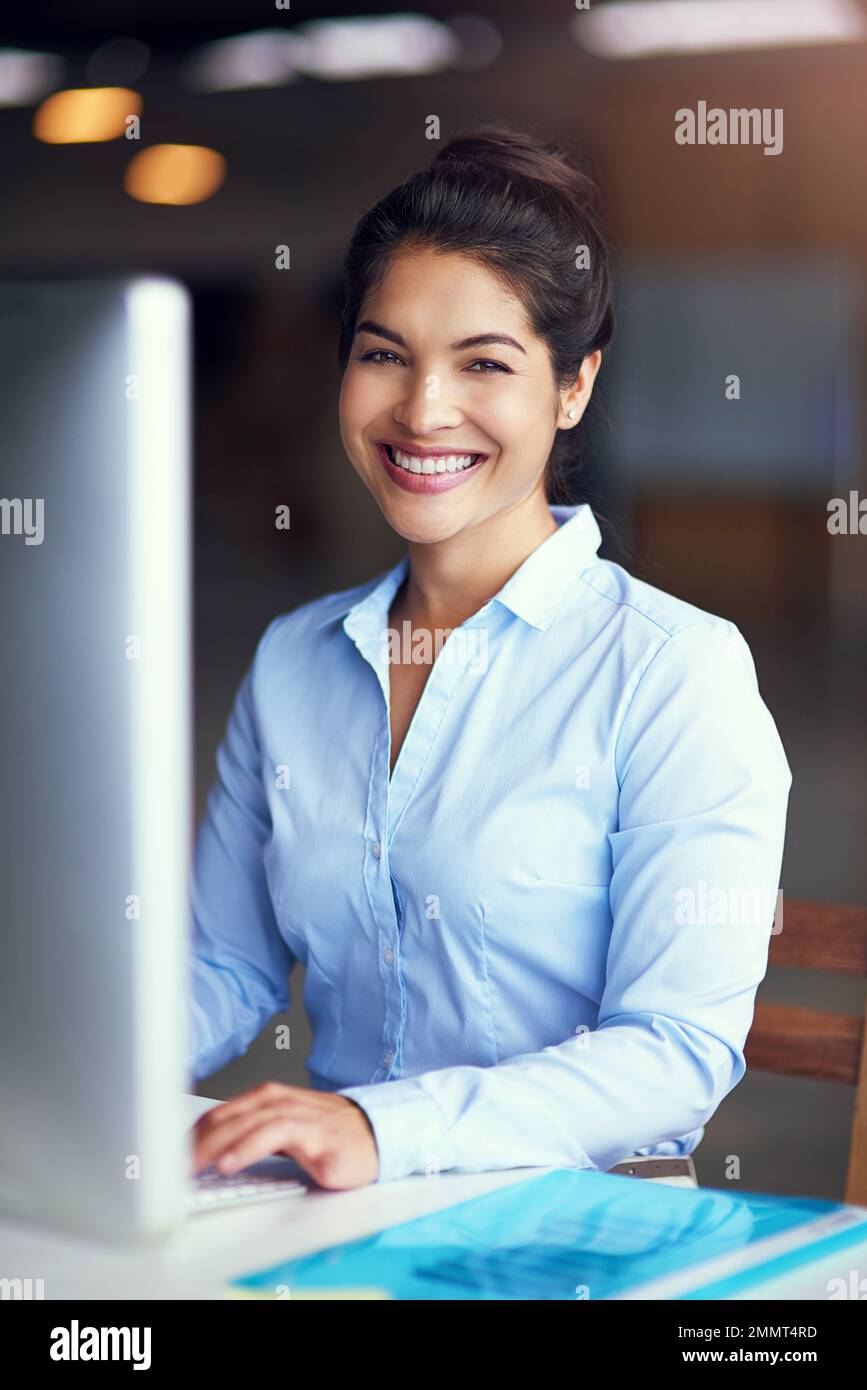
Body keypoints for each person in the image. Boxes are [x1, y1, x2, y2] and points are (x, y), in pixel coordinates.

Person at [187, 125, 792, 1190]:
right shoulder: (293, 663)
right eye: (384, 354)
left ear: (572, 388)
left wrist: (381, 1130)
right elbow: (224, 964)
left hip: (576, 1236)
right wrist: (74, 1071)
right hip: (334, 1220)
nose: (423, 410)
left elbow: (674, 1049)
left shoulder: (676, 674)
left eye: (484, 364)